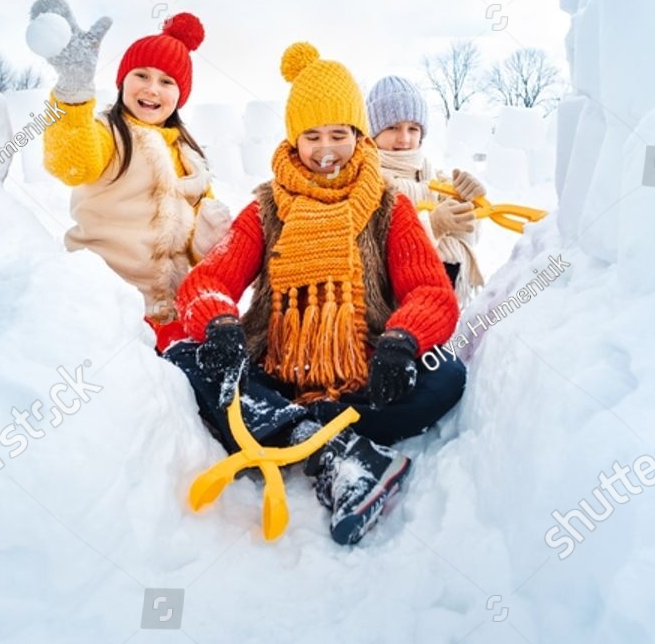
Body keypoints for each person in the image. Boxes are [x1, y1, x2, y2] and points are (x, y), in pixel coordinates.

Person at [164, 42, 466, 545]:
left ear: (357, 135)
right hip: (278, 367)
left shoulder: (390, 208)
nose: (326, 148)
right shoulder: (266, 207)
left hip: (367, 371)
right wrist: (218, 322)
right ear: (293, 139)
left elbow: (431, 290)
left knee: (447, 375)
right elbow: (209, 280)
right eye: (312, 135)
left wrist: (402, 341)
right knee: (185, 357)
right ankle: (333, 450)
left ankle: (291, 430)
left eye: (339, 134)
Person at [35, 0, 230, 352]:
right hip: (108, 304)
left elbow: (201, 239)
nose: (152, 89)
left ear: (180, 95)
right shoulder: (109, 133)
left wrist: (207, 238)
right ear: (123, 81)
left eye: (167, 81)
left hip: (172, 313)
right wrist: (74, 93)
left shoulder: (187, 154)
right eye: (141, 75)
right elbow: (71, 163)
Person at [365, 75, 487, 306]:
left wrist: (471, 202)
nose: (405, 138)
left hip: (442, 304)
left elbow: (469, 237)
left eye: (413, 128)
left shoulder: (433, 176)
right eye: (392, 127)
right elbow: (375, 253)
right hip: (392, 311)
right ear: (373, 133)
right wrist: (434, 226)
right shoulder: (366, 181)